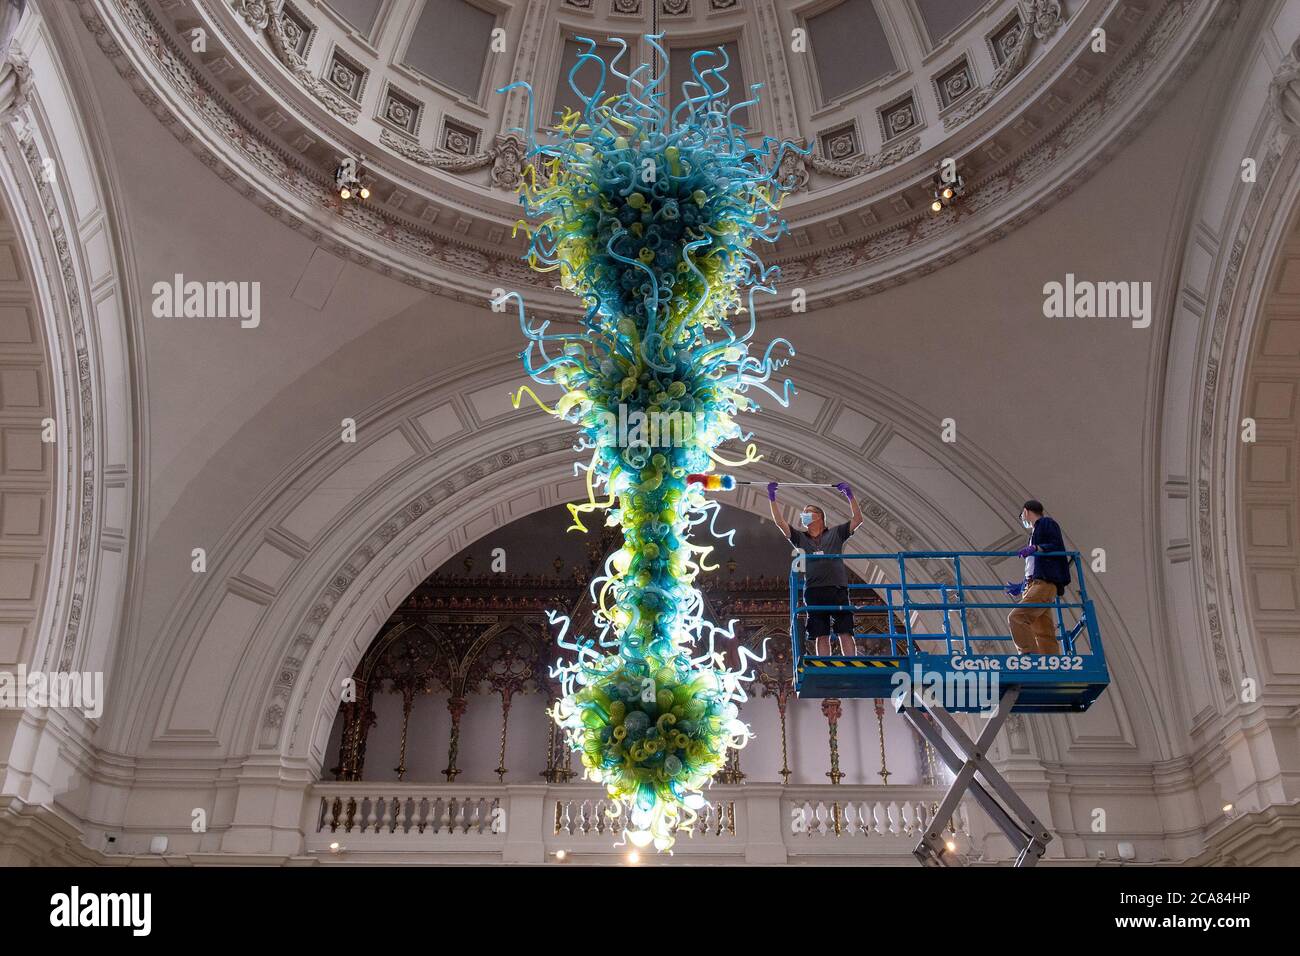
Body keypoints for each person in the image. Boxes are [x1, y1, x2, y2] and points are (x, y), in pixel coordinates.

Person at [768, 481, 865, 657]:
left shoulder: (836, 533)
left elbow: (858, 519)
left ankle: (851, 662)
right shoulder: (800, 538)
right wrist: (772, 498)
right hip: (814, 590)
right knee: (821, 633)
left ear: (819, 516)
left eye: (808, 512)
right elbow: (780, 523)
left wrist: (850, 495)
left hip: (836, 588)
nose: (803, 514)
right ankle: (824, 664)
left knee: (845, 629)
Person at [1004, 499, 1071, 654]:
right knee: (1042, 630)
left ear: (1026, 512)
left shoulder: (1046, 523)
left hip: (1043, 584)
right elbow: (1035, 567)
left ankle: (1029, 656)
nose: (1023, 520)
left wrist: (1037, 547)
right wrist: (1022, 585)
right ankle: (1051, 663)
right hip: (1035, 584)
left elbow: (1056, 545)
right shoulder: (1033, 534)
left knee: (1016, 618)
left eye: (1022, 516)